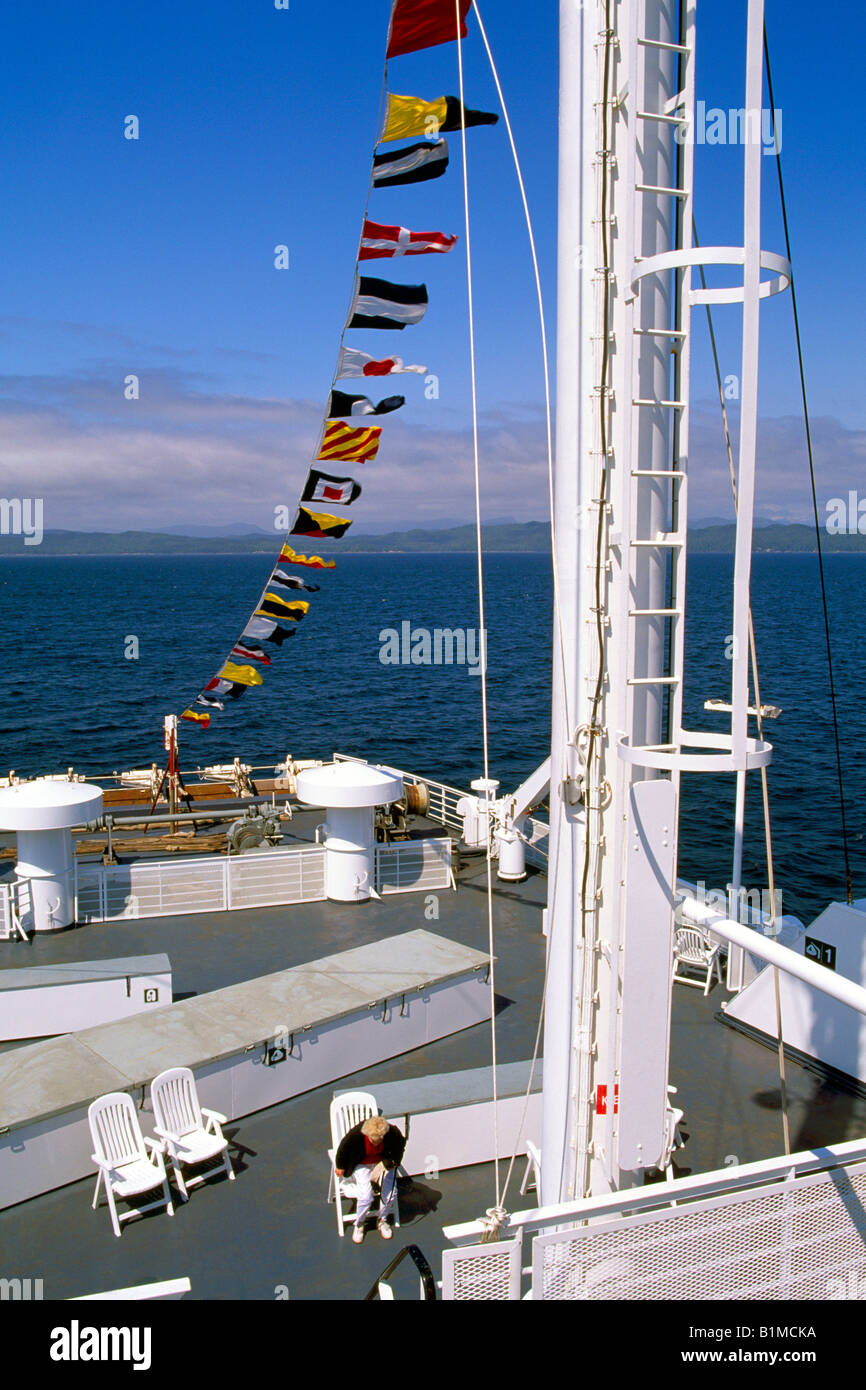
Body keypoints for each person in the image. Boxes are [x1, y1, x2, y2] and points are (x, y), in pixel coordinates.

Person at [335, 1114, 406, 1244]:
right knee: (365, 1196)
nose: (375, 1143)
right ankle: (360, 1223)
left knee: (391, 1192)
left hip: (382, 1162)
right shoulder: (357, 1134)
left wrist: (394, 1162)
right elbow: (343, 1148)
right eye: (373, 1141)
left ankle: (382, 1220)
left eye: (379, 1141)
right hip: (362, 1163)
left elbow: (400, 1145)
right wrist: (340, 1165)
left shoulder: (392, 1132)